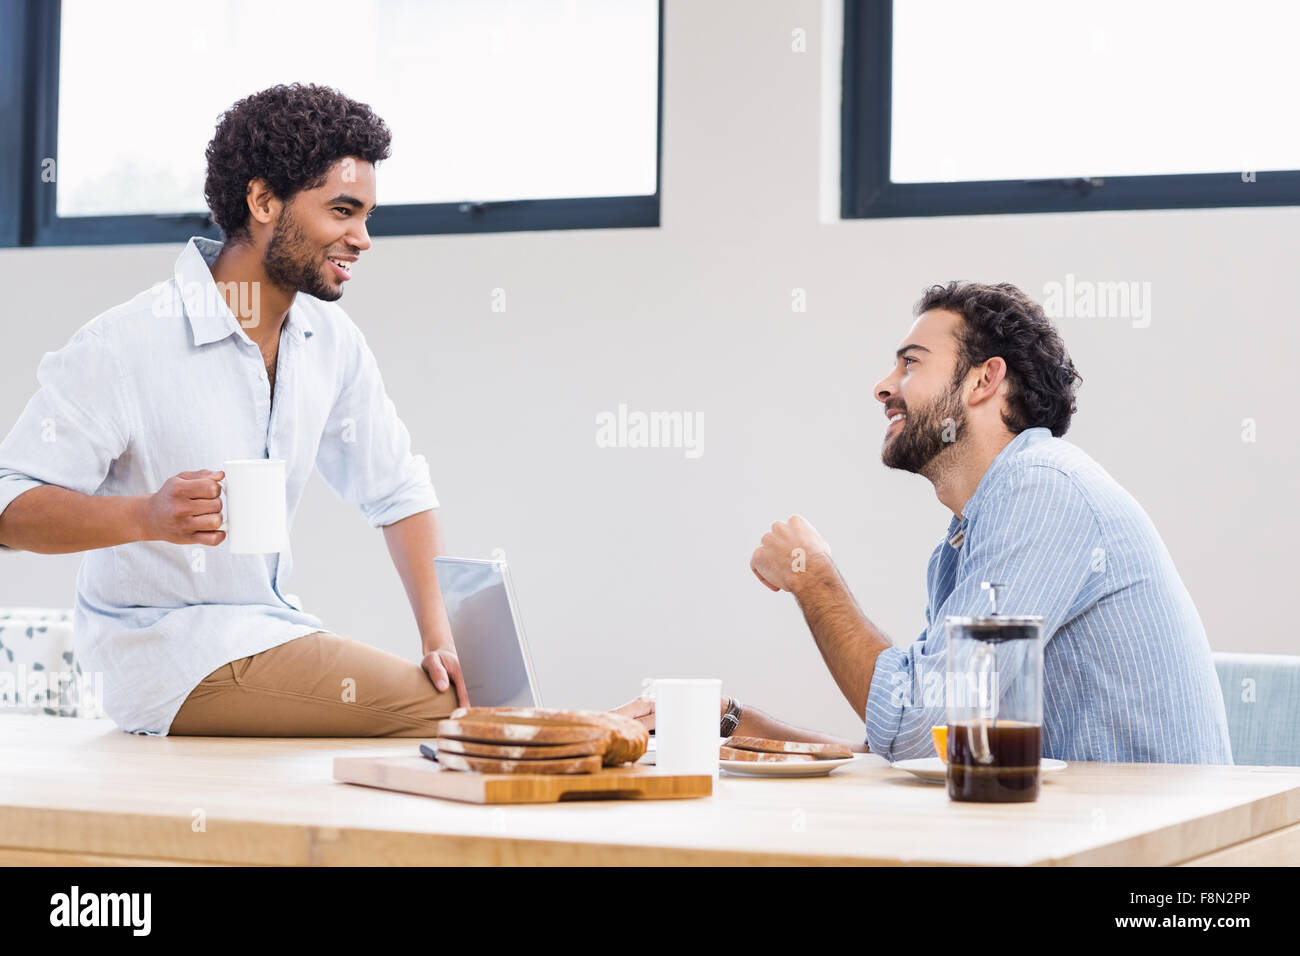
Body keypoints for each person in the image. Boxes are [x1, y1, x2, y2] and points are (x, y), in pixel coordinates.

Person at [0, 84, 468, 737]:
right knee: (452, 714)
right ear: (263, 200)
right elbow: (11, 507)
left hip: (270, 633)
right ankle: (596, 732)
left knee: (460, 693)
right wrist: (144, 516)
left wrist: (439, 635)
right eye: (342, 211)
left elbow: (398, 491)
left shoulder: (328, 342)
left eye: (367, 216)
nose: (362, 238)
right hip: (166, 659)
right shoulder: (126, 345)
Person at [618, 281, 1233, 765]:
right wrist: (725, 721)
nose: (884, 386)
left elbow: (913, 728)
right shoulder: (969, 538)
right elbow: (915, 751)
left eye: (910, 364)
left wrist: (815, 578)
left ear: (984, 380)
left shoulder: (1041, 490)